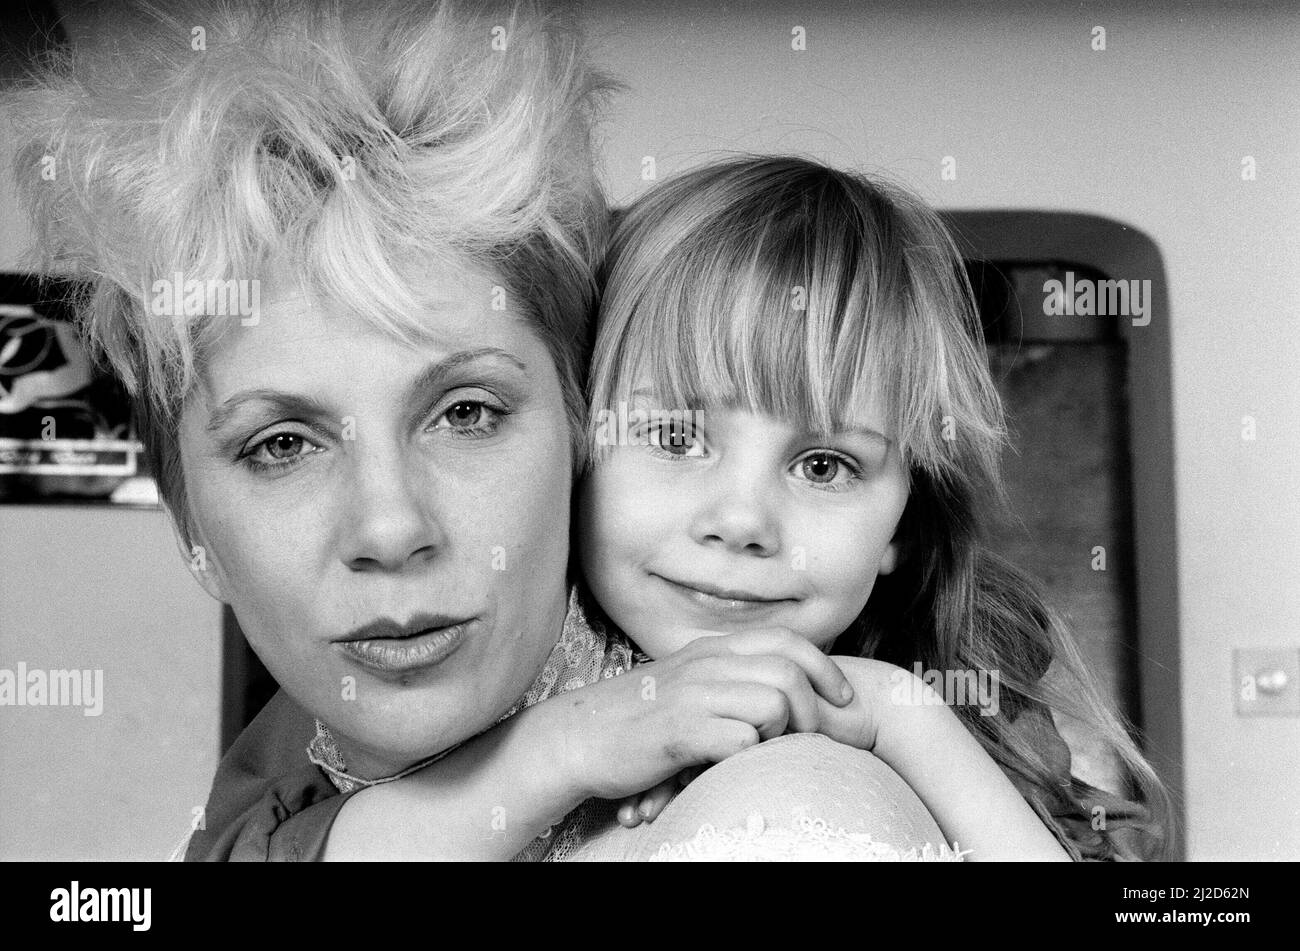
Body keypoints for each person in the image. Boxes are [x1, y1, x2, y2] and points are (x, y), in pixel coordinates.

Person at [4, 0, 923, 863]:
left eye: (466, 413)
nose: (390, 527)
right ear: (193, 532)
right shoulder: (272, 790)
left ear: (580, 429)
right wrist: (564, 746)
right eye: (281, 443)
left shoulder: (797, 778)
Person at [321, 157, 1171, 861]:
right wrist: (573, 743)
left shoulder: (937, 701)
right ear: (579, 445)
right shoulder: (492, 652)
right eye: (677, 435)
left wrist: (893, 713)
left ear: (901, 531)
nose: (743, 520)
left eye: (825, 463)